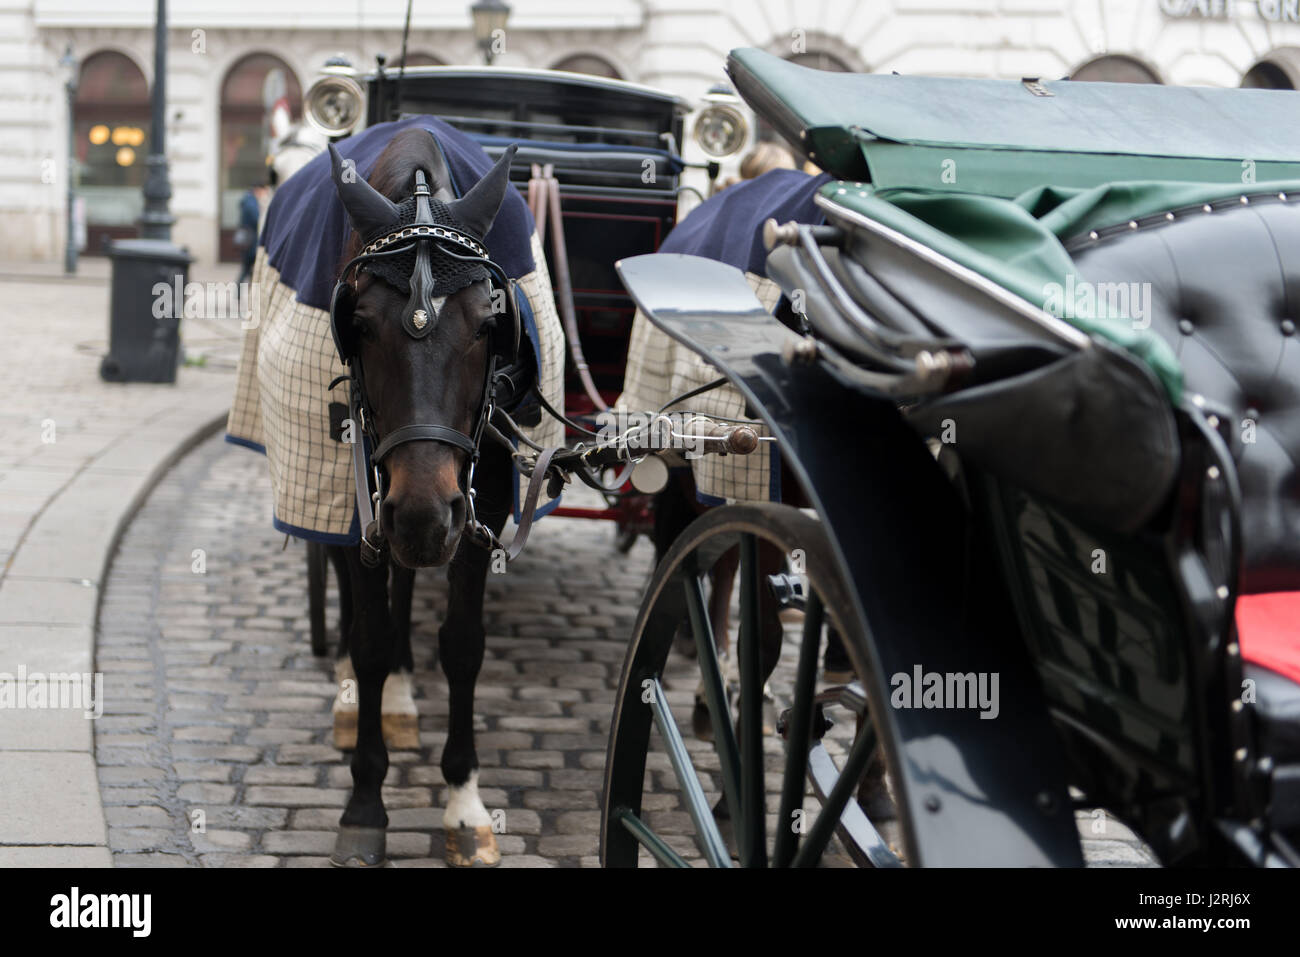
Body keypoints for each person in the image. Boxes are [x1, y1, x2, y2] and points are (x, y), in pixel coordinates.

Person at [235, 182, 270, 286]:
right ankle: (240, 292)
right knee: (248, 268)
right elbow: (257, 219)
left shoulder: (249, 200)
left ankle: (244, 292)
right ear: (258, 190)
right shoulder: (251, 202)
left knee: (249, 269)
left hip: (250, 240)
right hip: (251, 241)